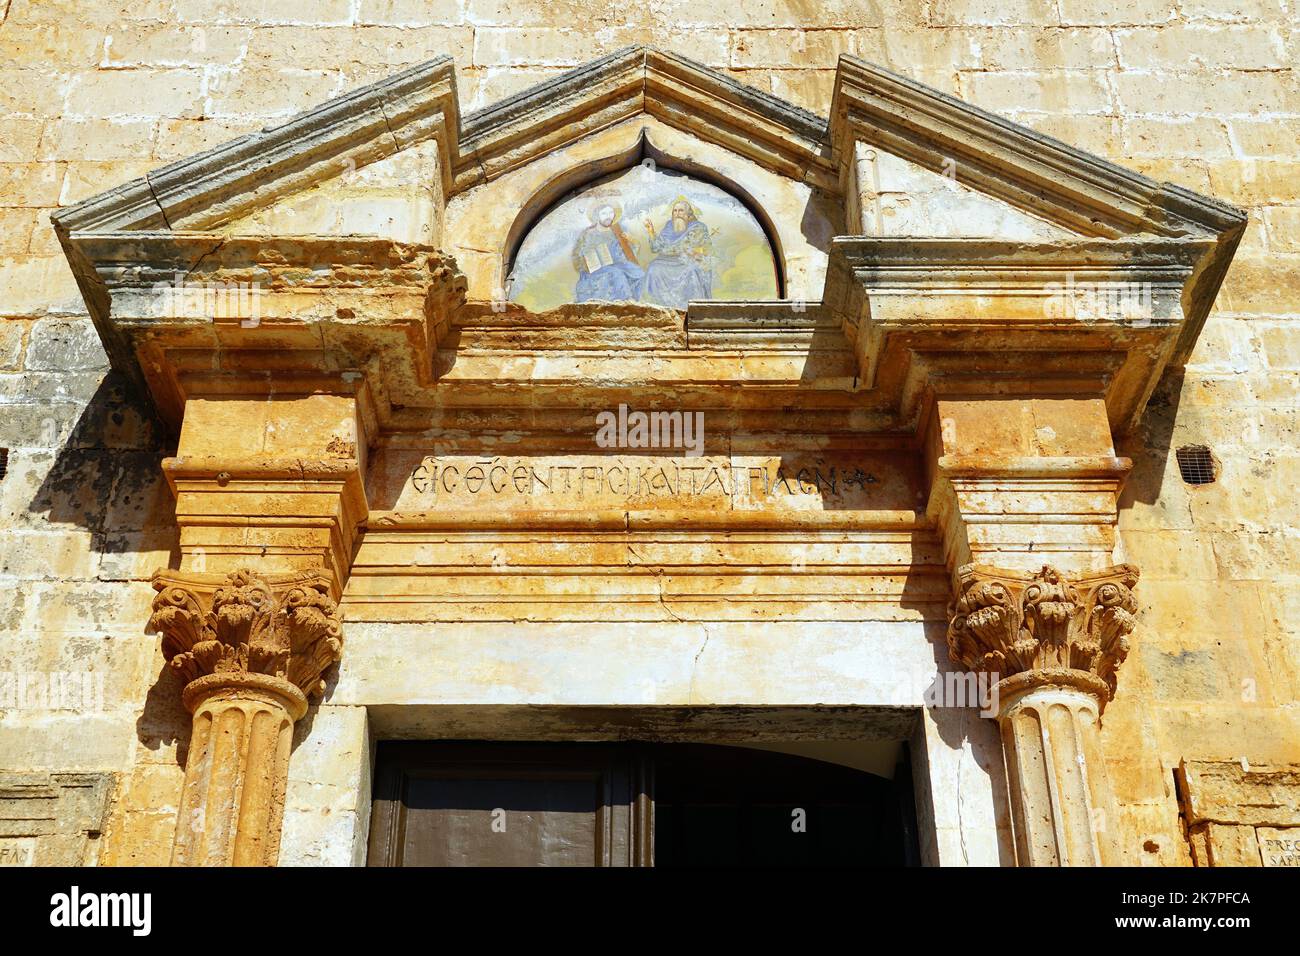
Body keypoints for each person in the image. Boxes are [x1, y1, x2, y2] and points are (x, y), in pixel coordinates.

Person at [641, 197, 713, 309]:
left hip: (689, 260)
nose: (677, 214)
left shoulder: (698, 227)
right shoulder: (669, 226)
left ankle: (692, 309)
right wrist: (651, 232)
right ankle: (657, 307)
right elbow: (656, 248)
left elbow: (683, 247)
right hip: (669, 260)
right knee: (653, 268)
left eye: (681, 210)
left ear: (689, 213)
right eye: (675, 211)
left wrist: (666, 249)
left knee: (691, 270)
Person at [572, 202, 644, 302]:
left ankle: (636, 300)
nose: (608, 216)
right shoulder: (588, 234)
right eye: (604, 213)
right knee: (616, 273)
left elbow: (628, 254)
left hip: (617, 264)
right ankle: (626, 300)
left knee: (639, 273)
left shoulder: (618, 230)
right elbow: (577, 257)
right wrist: (587, 263)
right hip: (596, 271)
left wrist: (633, 241)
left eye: (610, 213)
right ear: (597, 215)